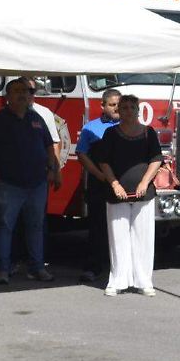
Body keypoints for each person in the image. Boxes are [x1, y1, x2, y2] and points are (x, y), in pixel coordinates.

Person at [0, 77, 60, 285]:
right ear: (7, 96)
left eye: (25, 91)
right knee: (5, 226)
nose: (22, 94)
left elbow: (49, 145)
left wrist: (52, 169)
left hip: (37, 183)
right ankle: (3, 269)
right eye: (17, 91)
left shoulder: (36, 118)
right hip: (9, 183)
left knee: (36, 226)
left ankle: (37, 268)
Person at [91, 94, 163, 296]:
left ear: (138, 111)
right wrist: (115, 184)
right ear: (119, 111)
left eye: (132, 107)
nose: (129, 111)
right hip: (117, 193)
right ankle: (117, 280)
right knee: (118, 237)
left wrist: (144, 182)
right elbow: (103, 161)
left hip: (143, 193)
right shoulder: (111, 133)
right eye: (124, 108)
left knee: (143, 237)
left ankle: (144, 281)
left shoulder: (148, 132)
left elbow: (156, 159)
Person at [76, 88, 121, 281]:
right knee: (98, 227)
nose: (116, 108)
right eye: (112, 105)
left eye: (119, 104)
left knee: (122, 228)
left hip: (124, 184)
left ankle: (120, 270)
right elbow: (82, 154)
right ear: (102, 106)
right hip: (100, 184)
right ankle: (93, 267)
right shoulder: (91, 128)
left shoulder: (129, 126)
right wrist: (99, 175)